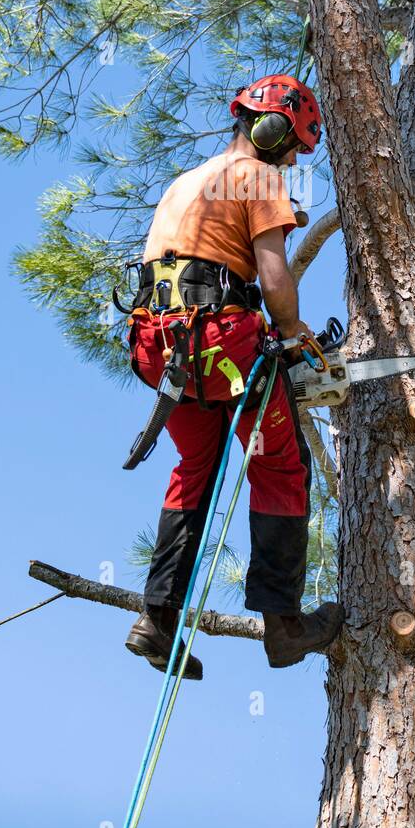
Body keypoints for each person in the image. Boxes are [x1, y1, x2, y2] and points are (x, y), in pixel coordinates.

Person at [123, 74, 345, 679]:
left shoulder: (185, 181)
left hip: (160, 349)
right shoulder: (257, 176)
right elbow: (274, 278)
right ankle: (284, 627)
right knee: (280, 464)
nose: (294, 159)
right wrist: (294, 331)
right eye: (294, 145)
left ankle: (157, 619)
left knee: (197, 468)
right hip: (219, 342)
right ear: (271, 129)